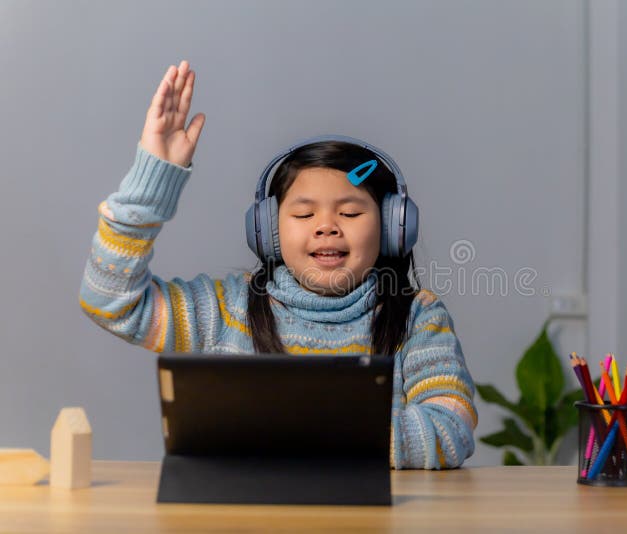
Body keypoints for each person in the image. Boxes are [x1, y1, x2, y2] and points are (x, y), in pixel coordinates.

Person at [79, 60, 477, 469]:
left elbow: (450, 429)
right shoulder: (226, 311)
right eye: (304, 214)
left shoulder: (418, 318)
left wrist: (298, 431)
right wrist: (145, 194)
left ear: (393, 227)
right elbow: (111, 303)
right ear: (268, 230)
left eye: (350, 213)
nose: (326, 226)